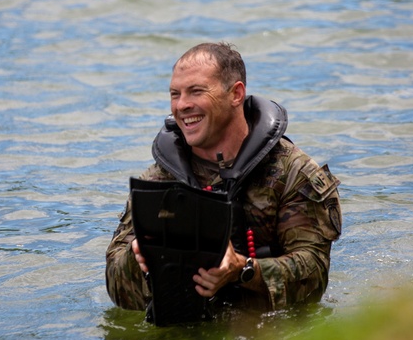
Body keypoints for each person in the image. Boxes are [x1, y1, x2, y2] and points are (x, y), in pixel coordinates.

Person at [105, 42, 342, 316]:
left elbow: (313, 280)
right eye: (175, 94)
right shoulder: (159, 181)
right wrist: (140, 260)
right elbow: (117, 291)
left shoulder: (293, 172)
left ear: (236, 94)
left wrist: (243, 270)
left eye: (196, 91)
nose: (182, 105)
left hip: (267, 332)